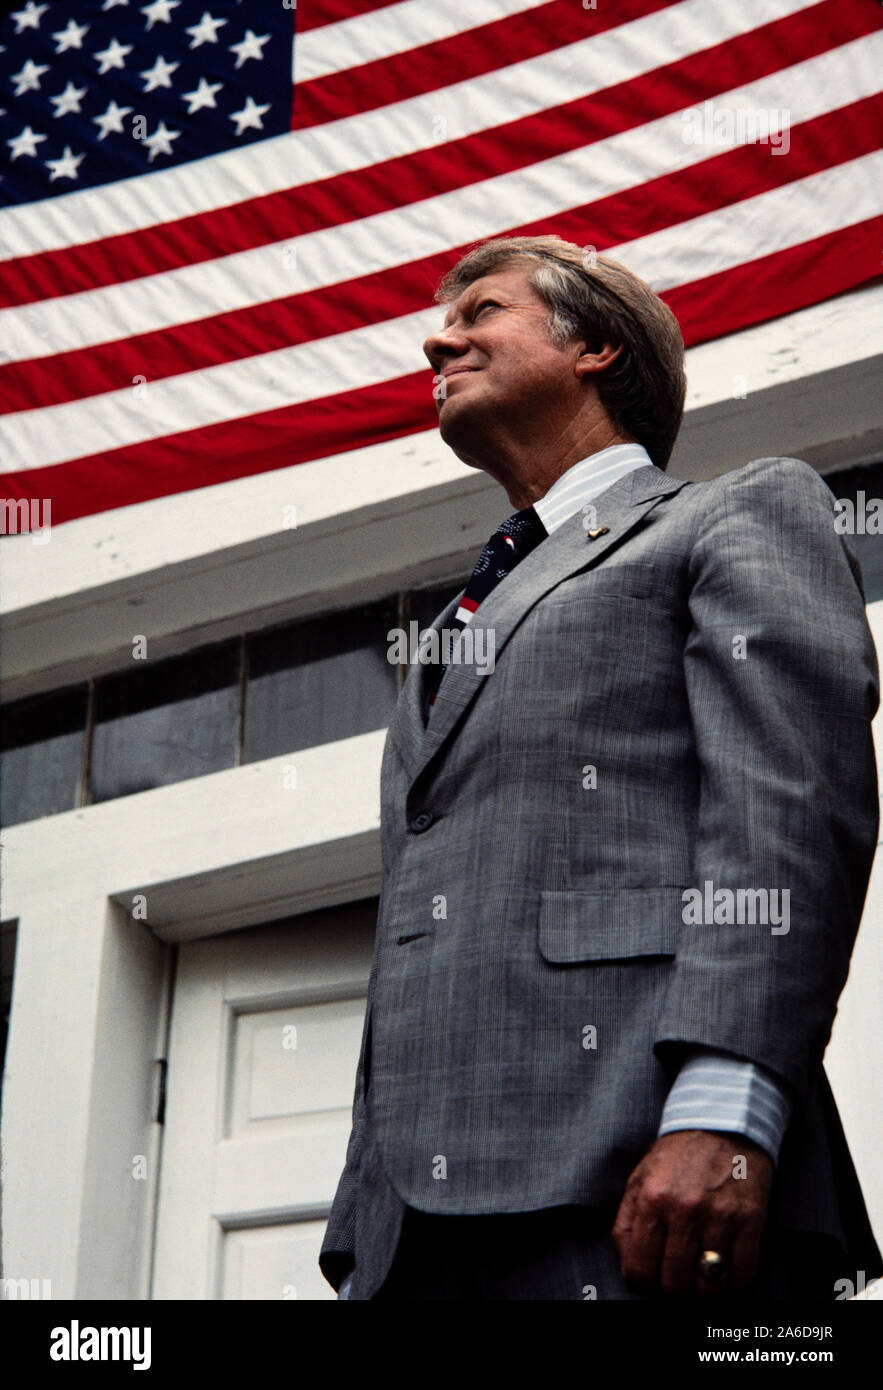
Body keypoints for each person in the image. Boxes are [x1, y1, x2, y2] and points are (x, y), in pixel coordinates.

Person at [319, 234, 881, 1300]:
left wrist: (723, 1113)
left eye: (480, 310)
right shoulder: (452, 625)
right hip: (412, 1242)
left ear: (595, 350)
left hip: (641, 1186)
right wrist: (361, 1230)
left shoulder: (732, 513)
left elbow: (786, 814)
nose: (439, 339)